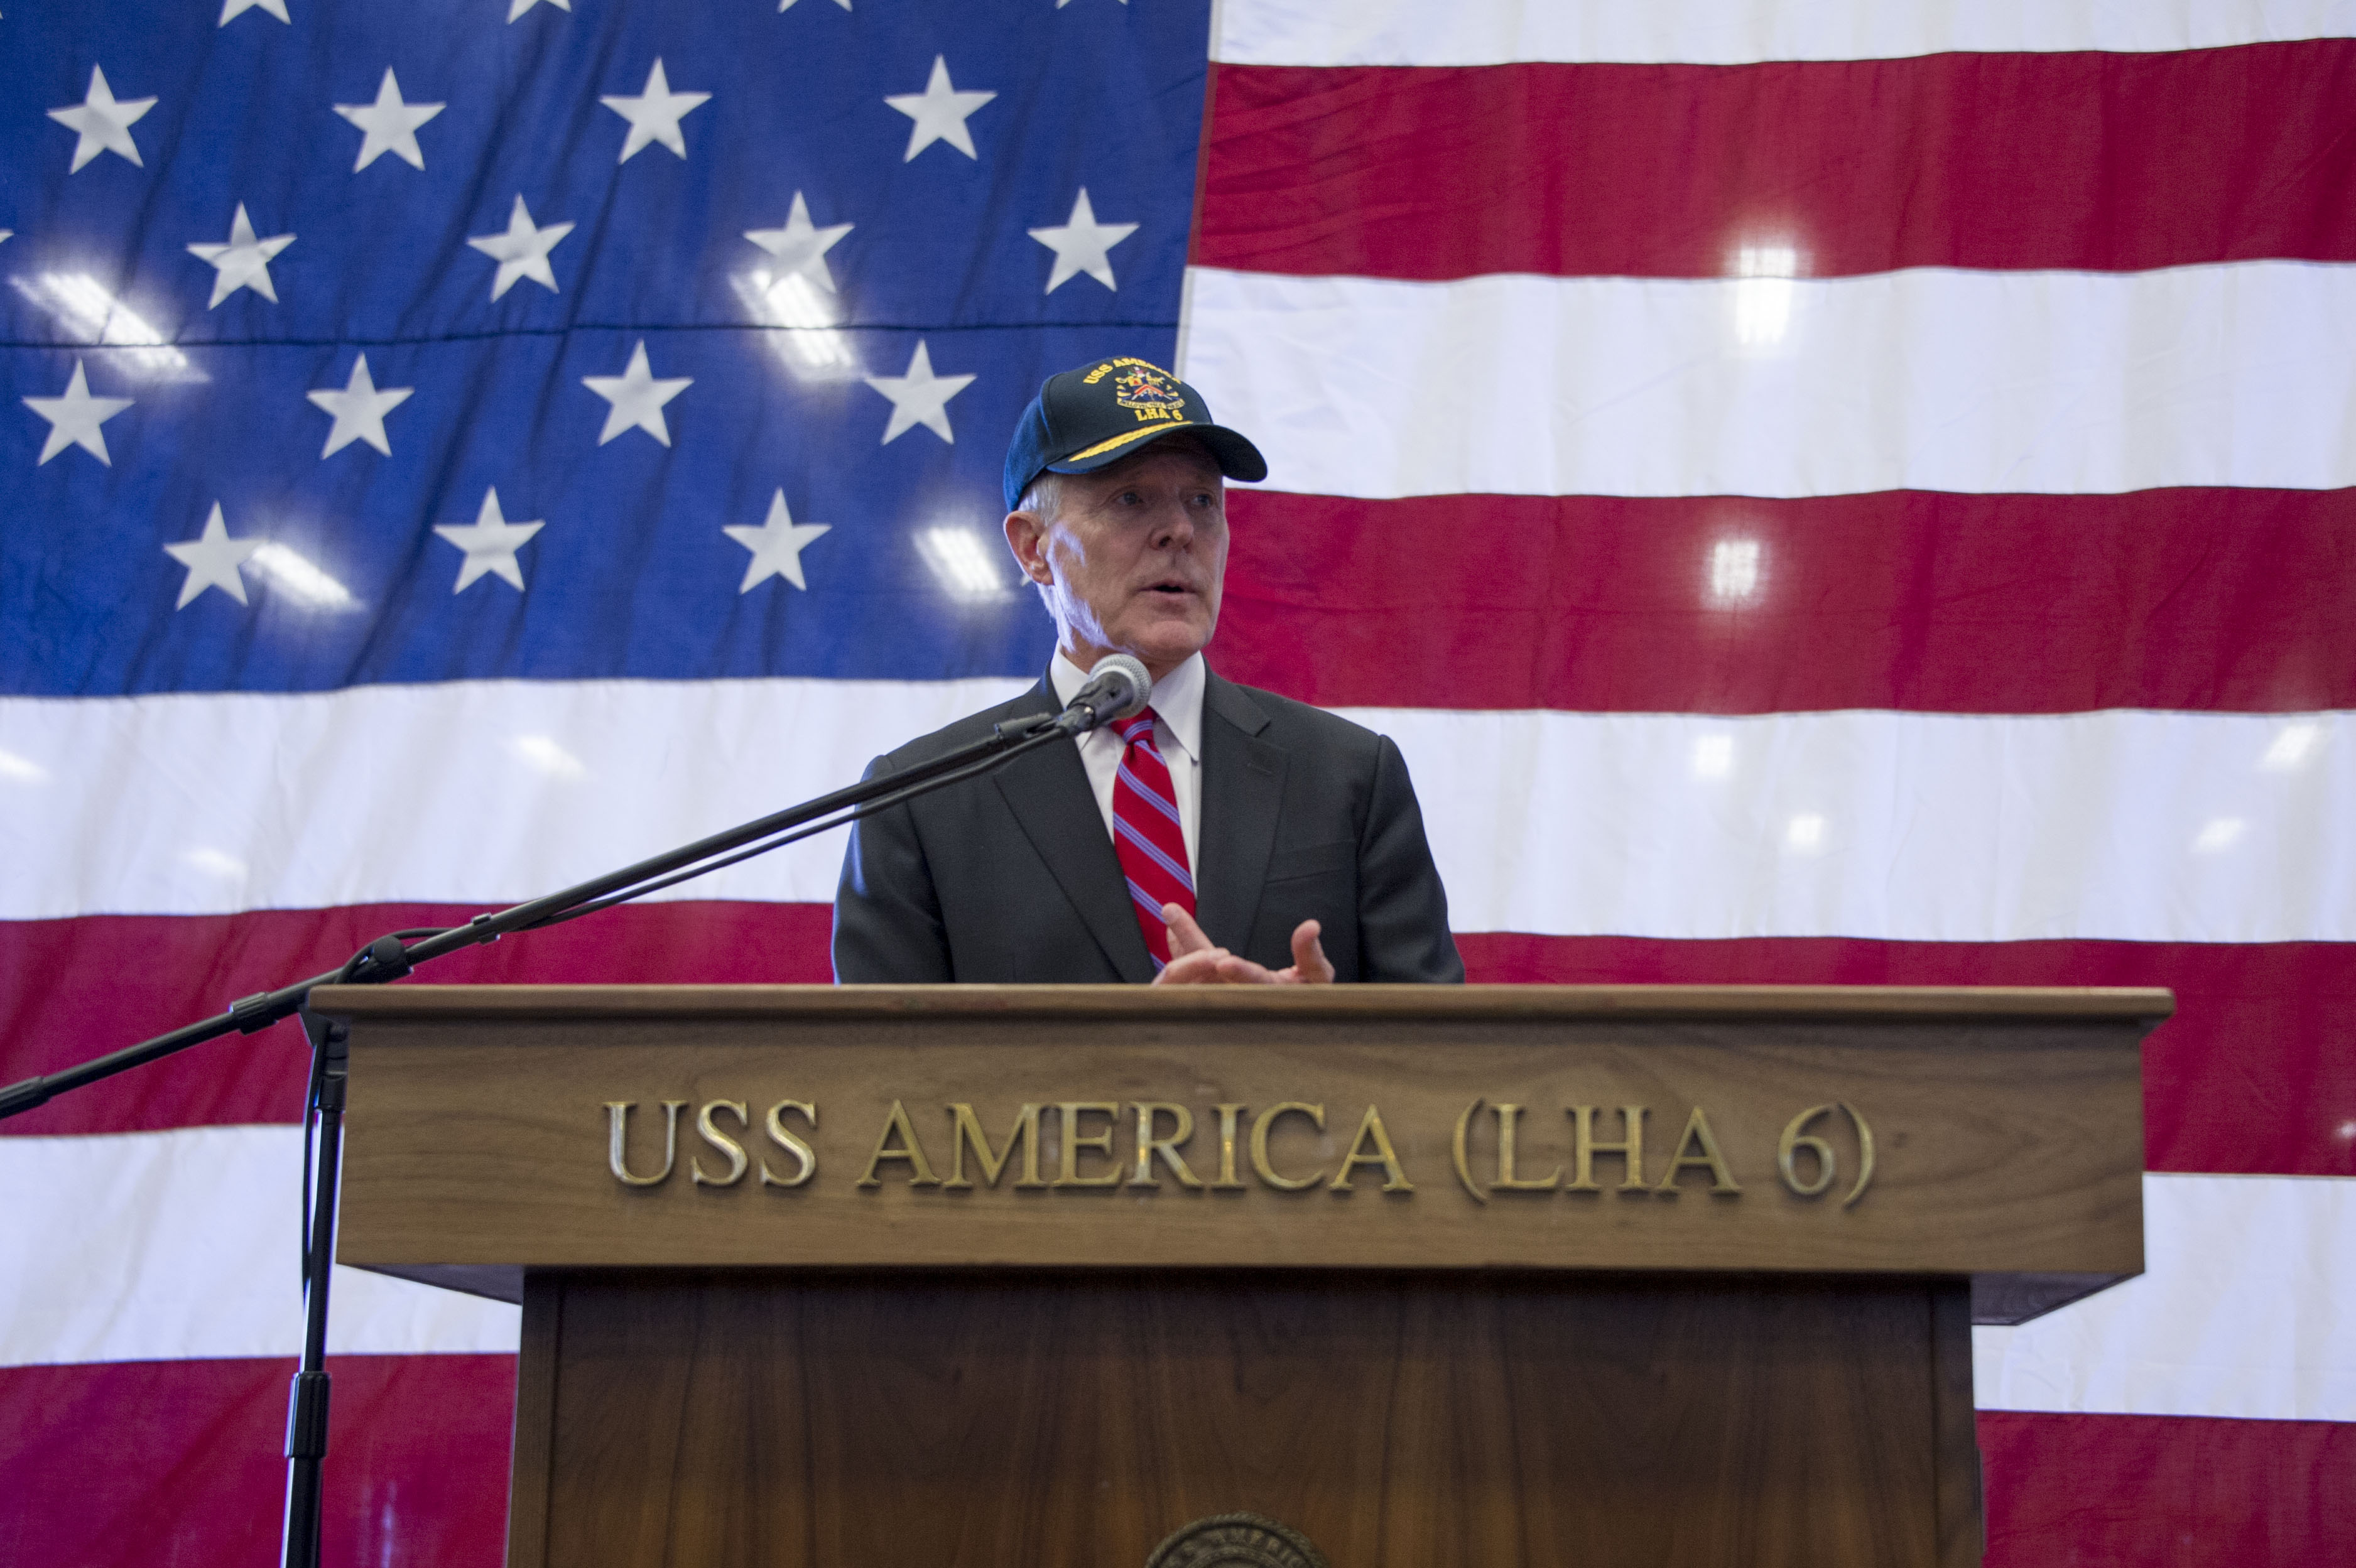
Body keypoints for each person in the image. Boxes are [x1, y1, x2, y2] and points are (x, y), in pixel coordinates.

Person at [832, 355, 1463, 986]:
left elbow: (1444, 1062)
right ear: (1033, 548)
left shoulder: (1350, 777)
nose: (1180, 531)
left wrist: (1310, 1039)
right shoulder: (918, 801)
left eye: (1202, 501)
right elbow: (883, 1074)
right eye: (1129, 499)